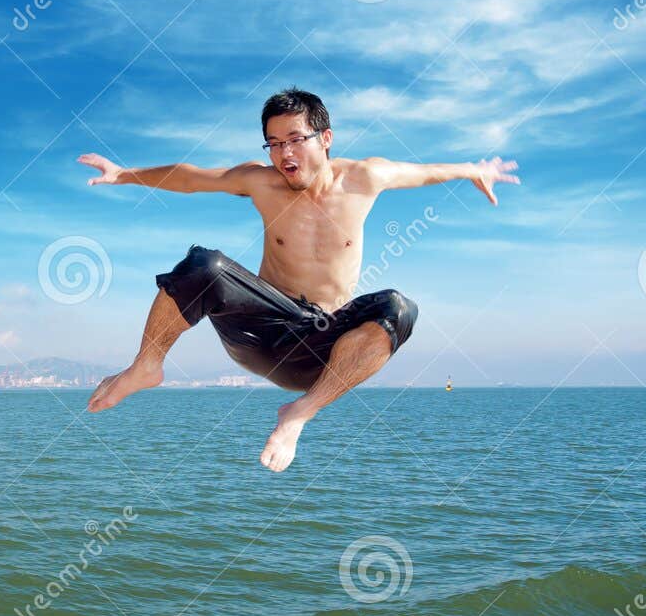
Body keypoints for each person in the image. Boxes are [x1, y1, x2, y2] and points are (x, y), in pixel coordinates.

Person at [79, 87, 518, 472]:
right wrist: (123, 175)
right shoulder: (261, 181)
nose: (284, 154)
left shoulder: (365, 177)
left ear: (325, 139)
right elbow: (191, 178)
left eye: (295, 140)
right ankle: (146, 366)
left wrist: (472, 169)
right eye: (274, 144)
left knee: (399, 309)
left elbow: (424, 172)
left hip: (320, 348)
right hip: (258, 330)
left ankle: (298, 414)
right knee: (203, 265)